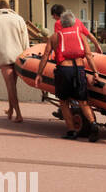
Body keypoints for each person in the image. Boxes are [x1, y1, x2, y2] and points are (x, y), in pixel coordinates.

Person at [37, 10, 99, 140]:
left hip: (64, 71)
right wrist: (95, 72)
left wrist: (39, 73)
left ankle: (71, 131)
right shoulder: (80, 36)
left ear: (62, 24)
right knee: (83, 101)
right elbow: (88, 55)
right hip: (79, 70)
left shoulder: (54, 37)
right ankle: (93, 123)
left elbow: (45, 56)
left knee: (64, 102)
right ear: (73, 23)